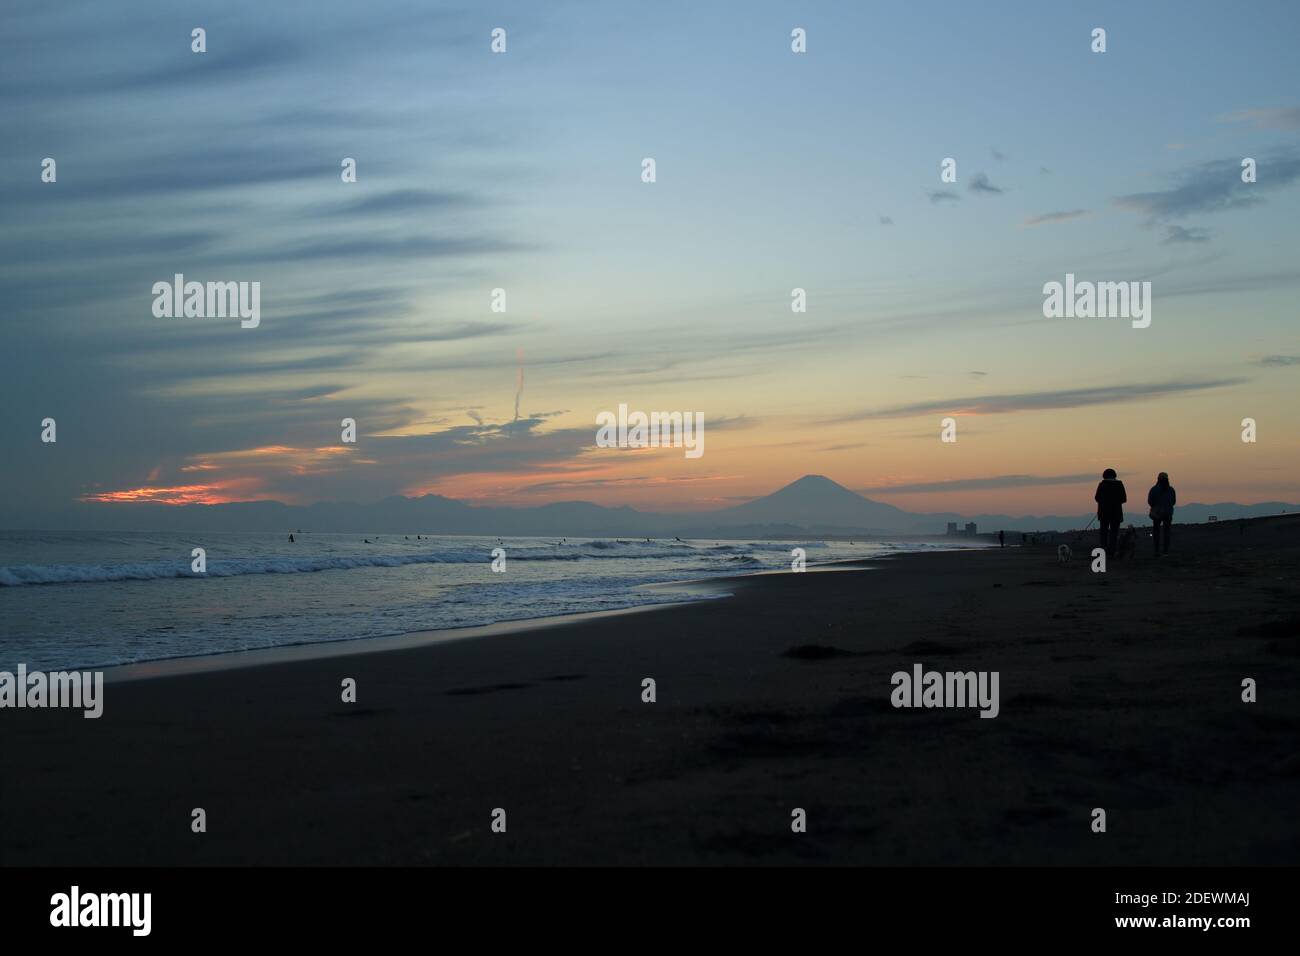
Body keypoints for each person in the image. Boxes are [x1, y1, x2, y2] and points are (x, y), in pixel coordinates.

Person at [1094, 468, 1127, 557]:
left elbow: (1097, 498)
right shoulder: (1119, 484)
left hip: (1103, 513)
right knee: (1114, 533)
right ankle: (1111, 551)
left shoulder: (1102, 485)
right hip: (1116, 513)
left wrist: (1104, 502)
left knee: (1104, 532)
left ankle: (1103, 551)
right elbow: (1124, 499)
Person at [1147, 472, 1176, 557]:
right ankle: (1165, 551)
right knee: (1166, 532)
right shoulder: (1171, 490)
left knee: (1156, 532)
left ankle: (1156, 551)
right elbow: (1173, 502)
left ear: (1158, 479)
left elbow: (1150, 501)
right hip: (1168, 513)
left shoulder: (1153, 489)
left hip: (1156, 513)